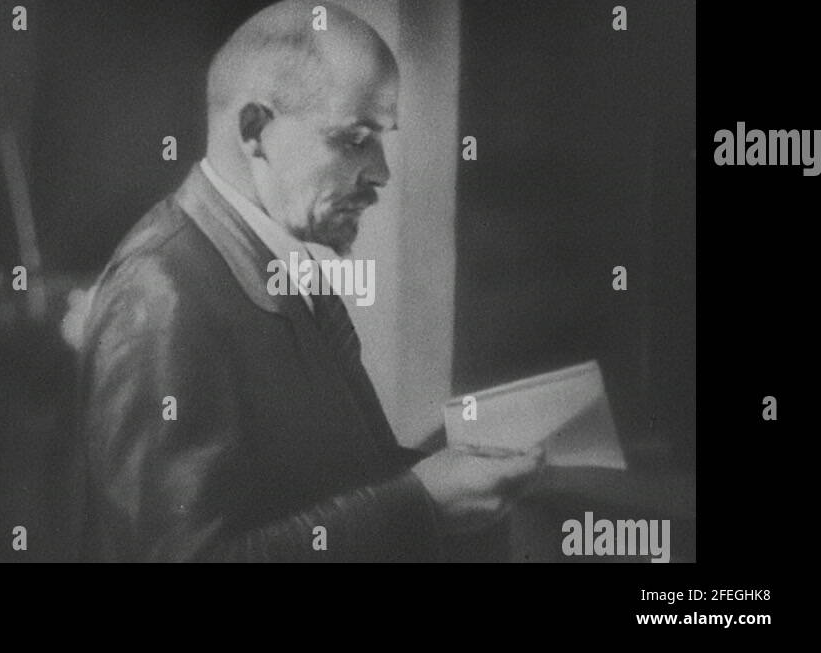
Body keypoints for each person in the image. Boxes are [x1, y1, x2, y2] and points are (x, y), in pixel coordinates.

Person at [75, 0, 541, 562]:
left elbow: (320, 486)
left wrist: (446, 478)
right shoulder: (158, 293)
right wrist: (420, 505)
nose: (381, 174)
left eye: (381, 138)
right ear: (255, 130)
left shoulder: (275, 259)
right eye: (354, 139)